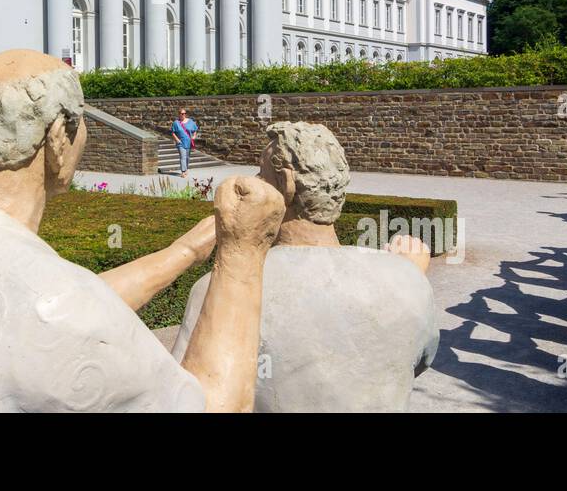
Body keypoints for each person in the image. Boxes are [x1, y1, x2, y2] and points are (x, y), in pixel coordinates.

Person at [0, 49, 285, 413]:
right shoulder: (58, 308)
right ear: (58, 137)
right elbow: (214, 405)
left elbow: (54, 308)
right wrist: (242, 253)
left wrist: (187, 249)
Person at [171, 121, 438, 412]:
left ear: (285, 184)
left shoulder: (217, 292)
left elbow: (183, 396)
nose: (255, 181)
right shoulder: (406, 279)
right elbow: (415, 358)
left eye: (261, 173)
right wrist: (408, 277)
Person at [171, 107, 198, 176]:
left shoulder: (190, 122)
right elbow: (173, 132)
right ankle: (183, 171)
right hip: (180, 143)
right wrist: (177, 140)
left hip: (188, 142)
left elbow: (194, 130)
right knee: (183, 157)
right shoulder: (176, 123)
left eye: (184, 113)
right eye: (182, 113)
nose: (183, 115)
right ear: (179, 114)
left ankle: (186, 169)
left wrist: (194, 136)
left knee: (187, 157)